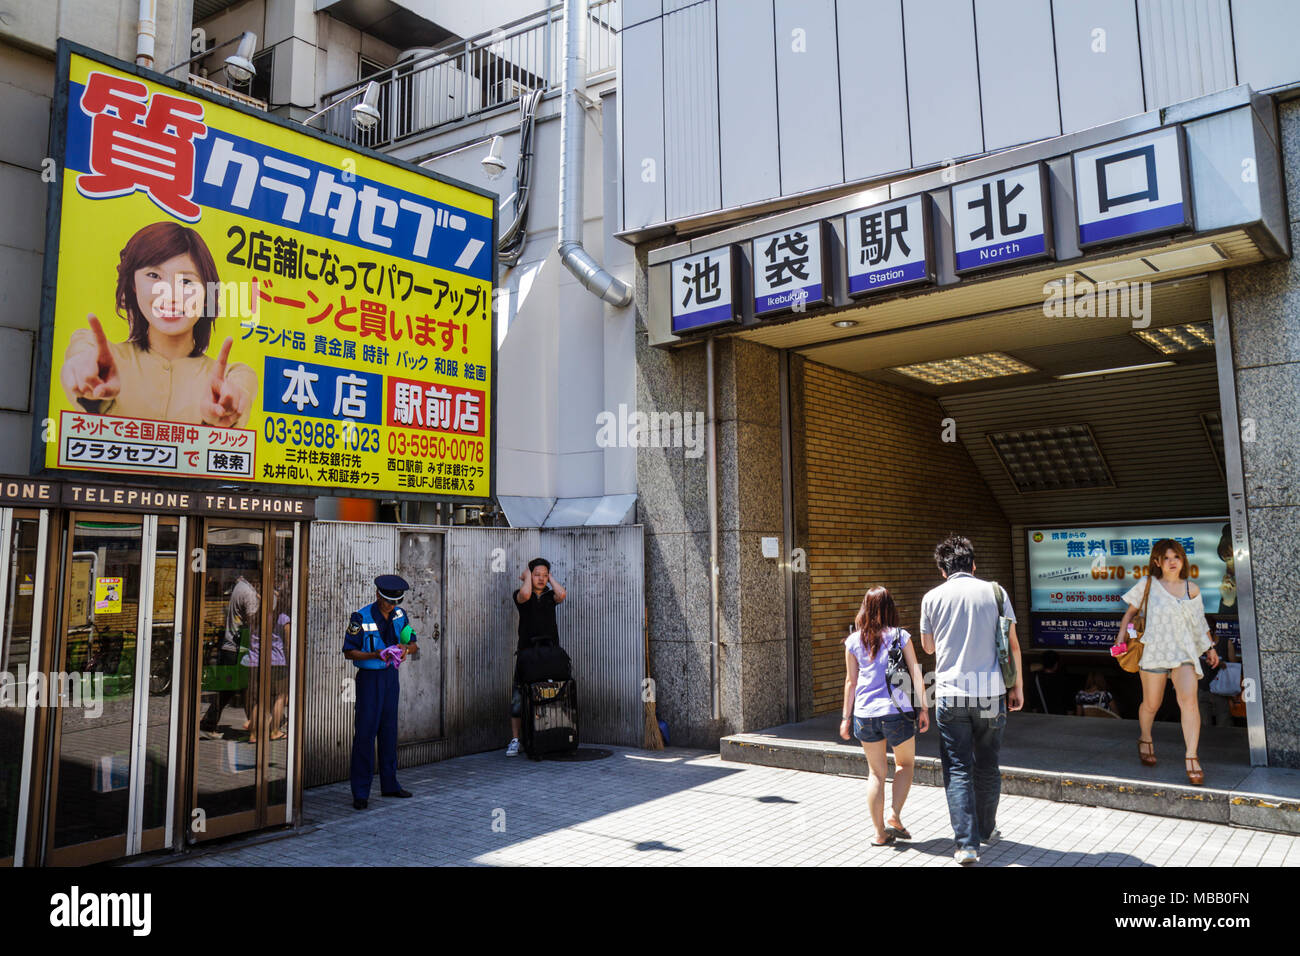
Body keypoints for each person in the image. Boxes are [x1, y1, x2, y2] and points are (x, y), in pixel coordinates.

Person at [60, 221, 256, 427]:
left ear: (208, 294)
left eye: (186, 281)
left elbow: (241, 388)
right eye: (154, 276)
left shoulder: (229, 378)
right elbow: (81, 354)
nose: (170, 294)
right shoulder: (103, 360)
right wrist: (88, 384)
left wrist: (221, 415)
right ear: (133, 284)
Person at [920, 534, 1023, 866]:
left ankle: (966, 844)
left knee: (959, 768)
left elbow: (929, 648)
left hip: (950, 693)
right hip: (992, 691)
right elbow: (1013, 644)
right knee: (988, 763)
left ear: (942, 569)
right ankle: (986, 830)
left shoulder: (931, 598)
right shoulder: (995, 592)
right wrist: (1017, 686)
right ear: (973, 564)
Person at [1117, 539, 1219, 785]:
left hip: (1183, 654)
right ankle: (1145, 738)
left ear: (1183, 560)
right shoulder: (1148, 585)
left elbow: (1199, 623)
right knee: (1152, 704)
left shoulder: (1191, 589)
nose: (1172, 562)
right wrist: (1121, 639)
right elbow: (1130, 614)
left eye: (1177, 557)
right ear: (1157, 562)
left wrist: (1210, 649)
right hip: (1153, 652)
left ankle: (1192, 757)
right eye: (1167, 558)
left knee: (1189, 702)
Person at [839, 585, 929, 847]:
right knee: (905, 765)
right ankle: (894, 816)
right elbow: (915, 673)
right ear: (890, 607)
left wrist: (846, 717)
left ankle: (879, 833)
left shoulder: (854, 640)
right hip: (896, 711)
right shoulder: (901, 636)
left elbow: (850, 682)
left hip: (865, 713)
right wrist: (923, 708)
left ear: (864, 609)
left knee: (876, 773)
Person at [343, 574, 419, 809]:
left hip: (390, 678)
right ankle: (361, 792)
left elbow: (414, 643)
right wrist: (375, 655)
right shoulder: (360, 617)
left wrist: (405, 649)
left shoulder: (399, 615)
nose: (393, 606)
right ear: (378, 595)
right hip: (369, 680)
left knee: (389, 732)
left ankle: (390, 784)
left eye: (397, 601)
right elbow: (348, 652)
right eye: (388, 601)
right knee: (365, 734)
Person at [508, 557, 567, 757]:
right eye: (537, 575)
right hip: (527, 653)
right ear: (529, 575)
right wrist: (526, 577)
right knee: (518, 696)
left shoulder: (550, 596)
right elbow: (525, 593)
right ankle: (516, 739)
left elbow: (562, 594)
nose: (541, 579)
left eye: (545, 575)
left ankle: (549, 734)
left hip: (549, 653)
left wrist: (550, 579)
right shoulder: (520, 594)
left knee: (550, 693)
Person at [200, 571, 258, 735]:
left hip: (231, 646)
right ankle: (256, 725)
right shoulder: (249, 592)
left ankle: (210, 723)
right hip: (238, 649)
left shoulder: (239, 587)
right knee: (244, 688)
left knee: (235, 688)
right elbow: (252, 621)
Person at [1198, 630, 1237, 728]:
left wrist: (1233, 695)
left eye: (1210, 628)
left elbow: (1233, 667)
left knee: (1224, 723)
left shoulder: (1225, 642)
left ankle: (1225, 742)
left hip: (1221, 690)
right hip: (1202, 688)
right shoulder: (1197, 643)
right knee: (1204, 724)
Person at [1030, 650, 1072, 715]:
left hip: (1041, 715)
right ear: (1056, 664)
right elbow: (1068, 699)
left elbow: (1033, 698)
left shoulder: (1035, 678)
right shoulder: (1063, 678)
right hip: (1059, 715)